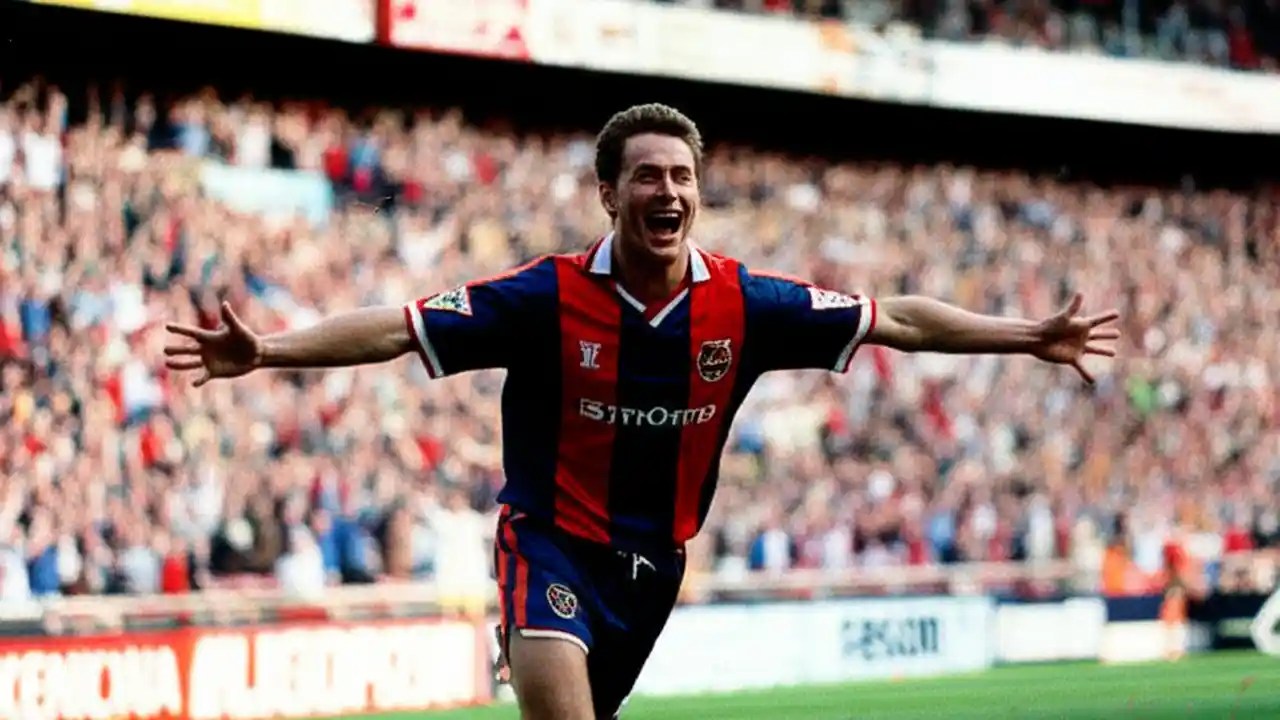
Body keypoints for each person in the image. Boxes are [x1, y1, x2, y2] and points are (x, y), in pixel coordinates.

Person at [164, 103, 1121, 719]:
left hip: (654, 568)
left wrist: (1029, 335)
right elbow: (399, 329)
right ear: (609, 192)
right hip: (548, 542)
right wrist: (270, 351)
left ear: (698, 194)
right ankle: (529, 632)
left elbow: (895, 319)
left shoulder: (746, 305)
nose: (668, 191)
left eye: (682, 177)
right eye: (648, 175)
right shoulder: (545, 296)